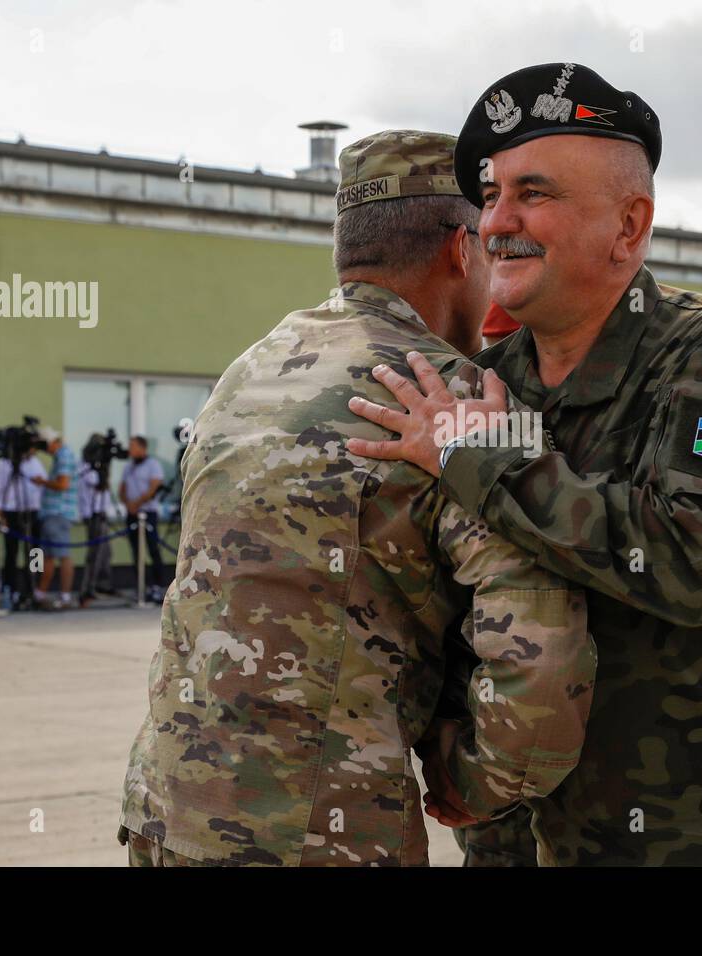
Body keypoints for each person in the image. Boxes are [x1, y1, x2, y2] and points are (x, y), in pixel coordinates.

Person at [348, 63, 702, 866]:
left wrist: (486, 460)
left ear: (629, 226)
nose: (498, 221)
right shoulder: (490, 381)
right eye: (491, 195)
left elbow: (697, 559)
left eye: (534, 193)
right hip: (541, 834)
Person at [116, 131, 596, 867]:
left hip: (167, 808)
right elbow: (538, 662)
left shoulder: (252, 371)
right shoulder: (461, 404)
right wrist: (480, 783)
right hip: (319, 829)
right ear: (460, 252)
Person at [0, 446, 46, 610]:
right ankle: (10, 589)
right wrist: (1, 515)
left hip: (32, 512)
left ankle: (33, 586)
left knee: (35, 552)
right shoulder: (4, 463)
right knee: (11, 553)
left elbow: (42, 484)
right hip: (12, 512)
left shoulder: (34, 462)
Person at [30, 426, 78, 609]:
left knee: (61, 555)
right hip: (52, 513)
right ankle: (40, 593)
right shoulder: (61, 456)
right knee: (46, 555)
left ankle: (64, 596)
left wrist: (42, 482)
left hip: (58, 512)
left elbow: (63, 484)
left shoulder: (64, 456)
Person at [119, 436, 167, 603]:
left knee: (153, 550)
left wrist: (137, 503)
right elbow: (122, 488)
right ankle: (142, 587)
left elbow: (153, 488)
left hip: (148, 513)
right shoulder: (128, 467)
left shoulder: (153, 465)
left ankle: (158, 587)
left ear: (142, 448)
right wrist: (127, 504)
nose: (130, 449)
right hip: (132, 514)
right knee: (137, 552)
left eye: (133, 446)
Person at [77, 440, 116, 607]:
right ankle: (87, 589)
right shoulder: (86, 469)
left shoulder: (98, 468)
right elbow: (96, 482)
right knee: (95, 554)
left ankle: (103, 585)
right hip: (93, 515)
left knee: (105, 552)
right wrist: (101, 468)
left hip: (101, 513)